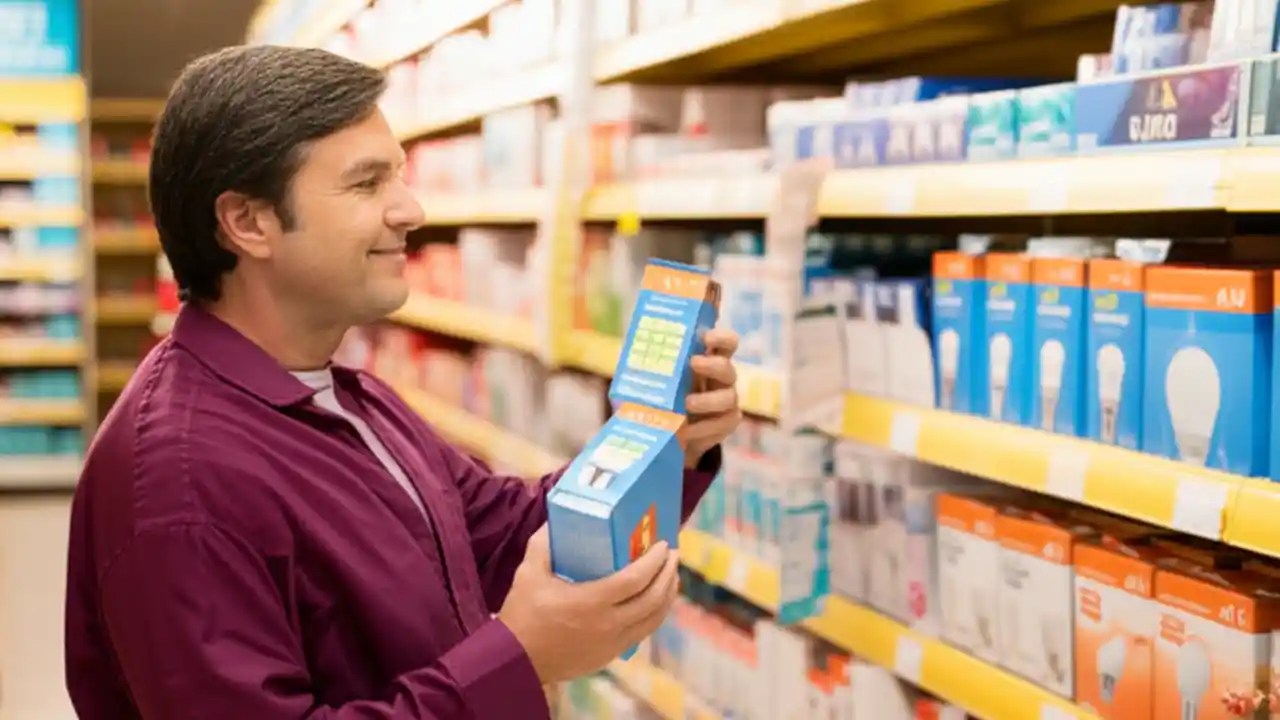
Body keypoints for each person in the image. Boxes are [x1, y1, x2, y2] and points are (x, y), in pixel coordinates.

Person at [64, 46, 743, 720]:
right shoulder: (179, 485)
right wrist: (521, 661)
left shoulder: (345, 396)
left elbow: (503, 537)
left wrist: (661, 442)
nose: (411, 210)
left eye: (400, 177)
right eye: (367, 184)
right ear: (248, 222)